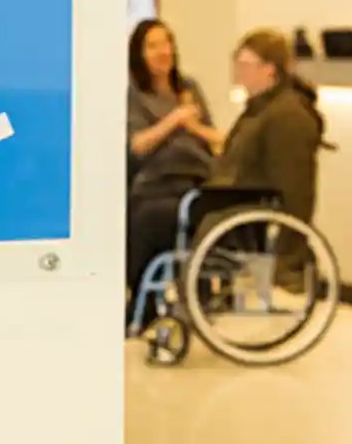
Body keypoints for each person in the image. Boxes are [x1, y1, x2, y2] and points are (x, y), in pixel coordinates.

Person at [126, 29, 326, 323]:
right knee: (145, 210)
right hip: (218, 192)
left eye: (245, 65)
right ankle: (151, 301)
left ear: (268, 70)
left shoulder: (285, 115)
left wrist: (288, 254)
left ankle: (145, 307)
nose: (237, 72)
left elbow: (296, 189)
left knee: (149, 218)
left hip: (230, 203)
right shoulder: (261, 109)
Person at [126, 20, 222, 204]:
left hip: (199, 174)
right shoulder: (135, 93)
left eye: (166, 43)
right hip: (158, 180)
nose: (163, 52)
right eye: (153, 46)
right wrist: (174, 119)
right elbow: (137, 145)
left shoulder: (188, 87)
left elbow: (217, 137)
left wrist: (194, 127)